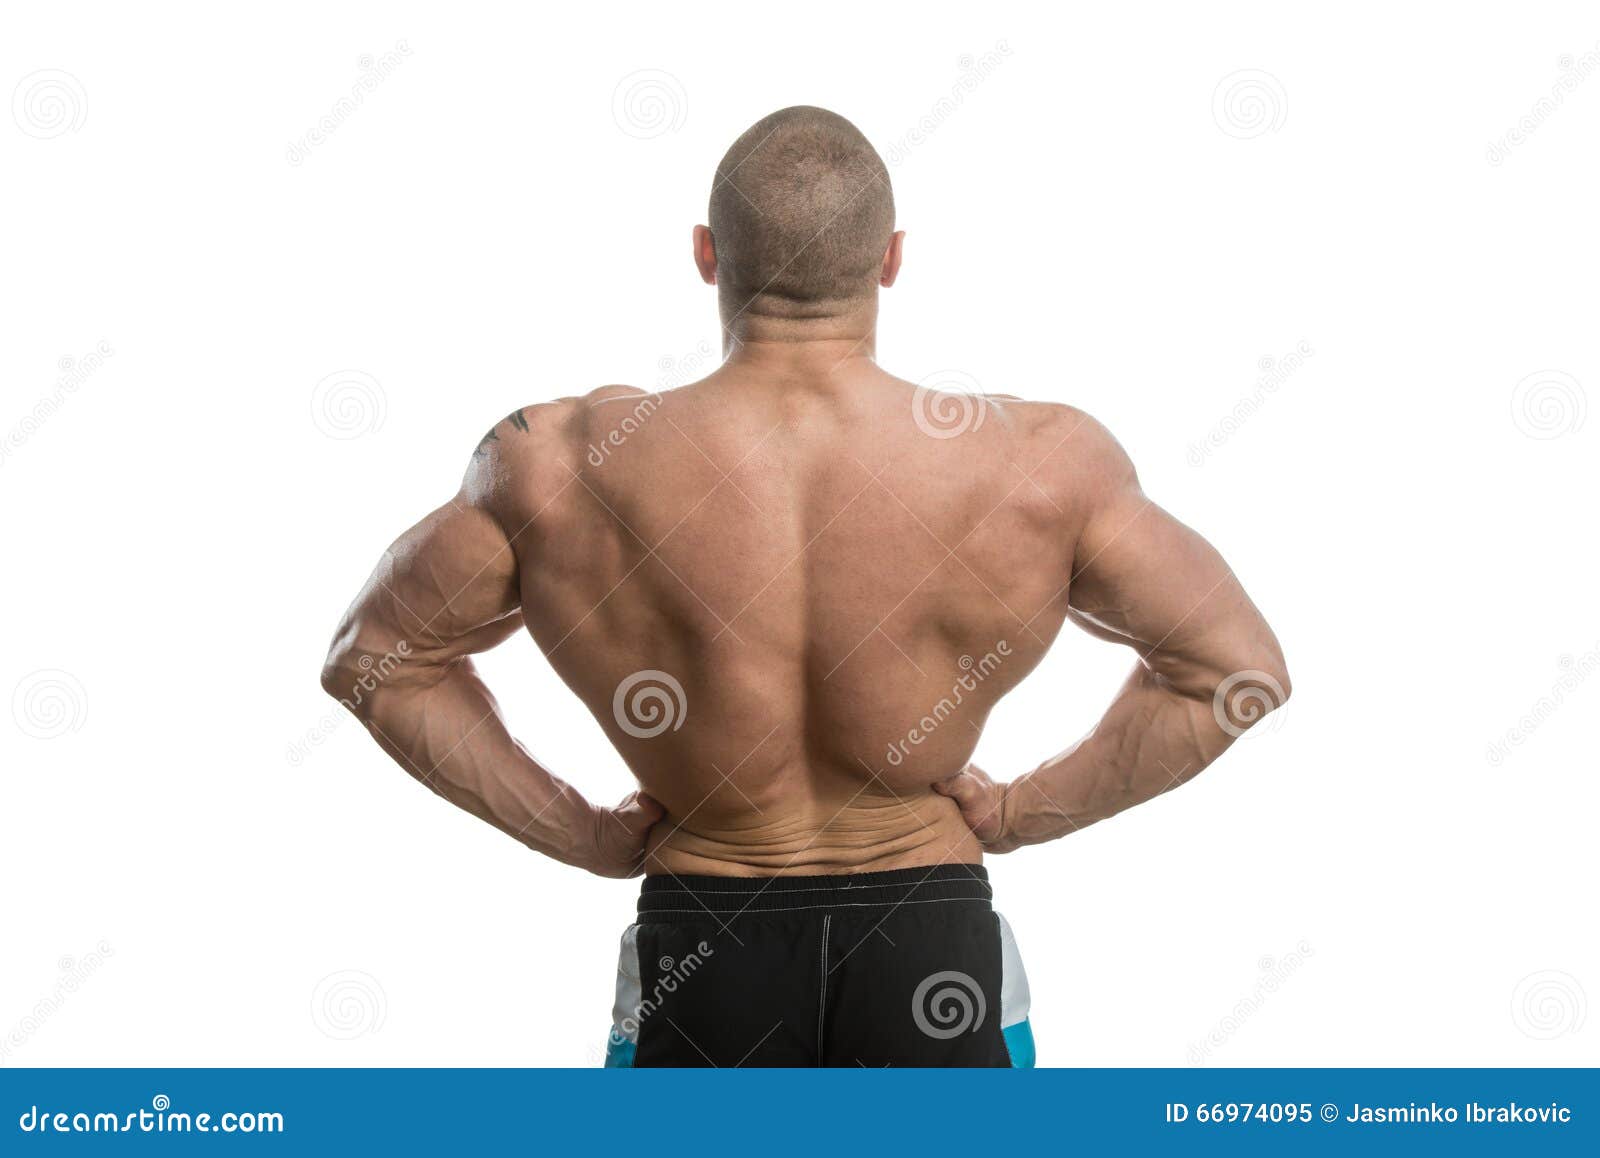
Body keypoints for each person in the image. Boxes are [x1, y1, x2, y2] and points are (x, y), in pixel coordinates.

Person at [320, 105, 1291, 1067]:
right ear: (891, 259)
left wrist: (581, 834)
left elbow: (374, 664)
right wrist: (1021, 811)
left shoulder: (559, 466)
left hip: (701, 946)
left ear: (706, 254)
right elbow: (1233, 672)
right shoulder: (1040, 464)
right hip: (930, 941)